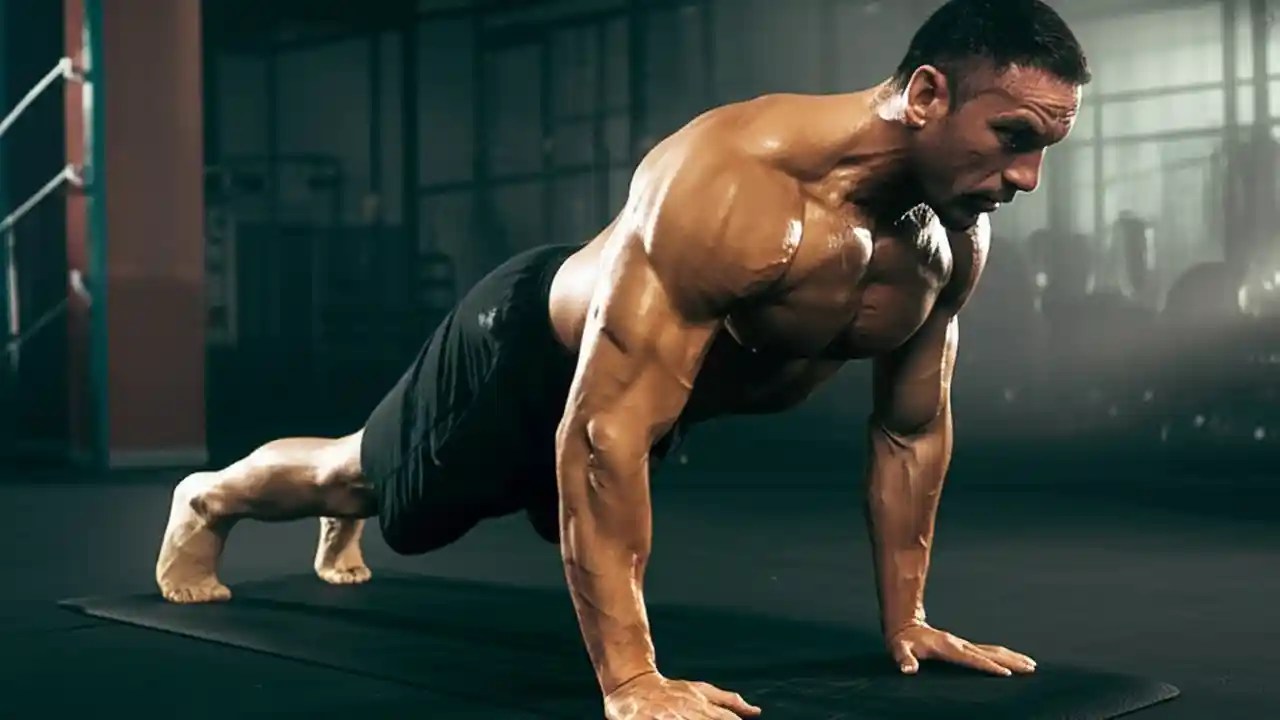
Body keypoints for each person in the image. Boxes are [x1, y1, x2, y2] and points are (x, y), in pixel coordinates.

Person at [156, 0, 1088, 717]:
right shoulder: (733, 184)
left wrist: (907, 620)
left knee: (409, 477)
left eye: (1045, 148)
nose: (1026, 179)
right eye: (1012, 138)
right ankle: (207, 498)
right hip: (525, 355)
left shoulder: (950, 238)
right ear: (927, 94)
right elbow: (600, 430)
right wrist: (632, 678)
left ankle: (341, 501)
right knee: (357, 474)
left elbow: (910, 429)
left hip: (637, 397)